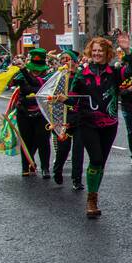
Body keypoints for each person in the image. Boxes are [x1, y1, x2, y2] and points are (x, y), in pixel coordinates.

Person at [69, 35, 132, 218]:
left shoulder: (114, 73)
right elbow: (73, 97)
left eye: (100, 51)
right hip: (87, 122)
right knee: (96, 159)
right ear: (90, 52)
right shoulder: (82, 74)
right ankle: (91, 200)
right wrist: (64, 100)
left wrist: (127, 50)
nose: (97, 53)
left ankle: (94, 195)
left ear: (107, 53)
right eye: (94, 50)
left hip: (109, 123)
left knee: (101, 162)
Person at [9, 47, 52, 178]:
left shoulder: (49, 77)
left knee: (43, 141)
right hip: (24, 112)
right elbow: (9, 83)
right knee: (26, 140)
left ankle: (45, 168)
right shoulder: (22, 75)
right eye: (33, 69)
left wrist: (24, 70)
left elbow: (36, 84)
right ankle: (26, 166)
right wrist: (11, 72)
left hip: (42, 113)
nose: (35, 72)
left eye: (38, 69)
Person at [51, 50, 84, 188]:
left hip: (79, 118)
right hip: (63, 118)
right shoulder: (57, 77)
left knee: (78, 150)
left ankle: (77, 179)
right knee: (63, 149)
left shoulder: (82, 77)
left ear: (75, 62)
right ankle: (57, 170)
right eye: (63, 59)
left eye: (68, 59)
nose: (65, 61)